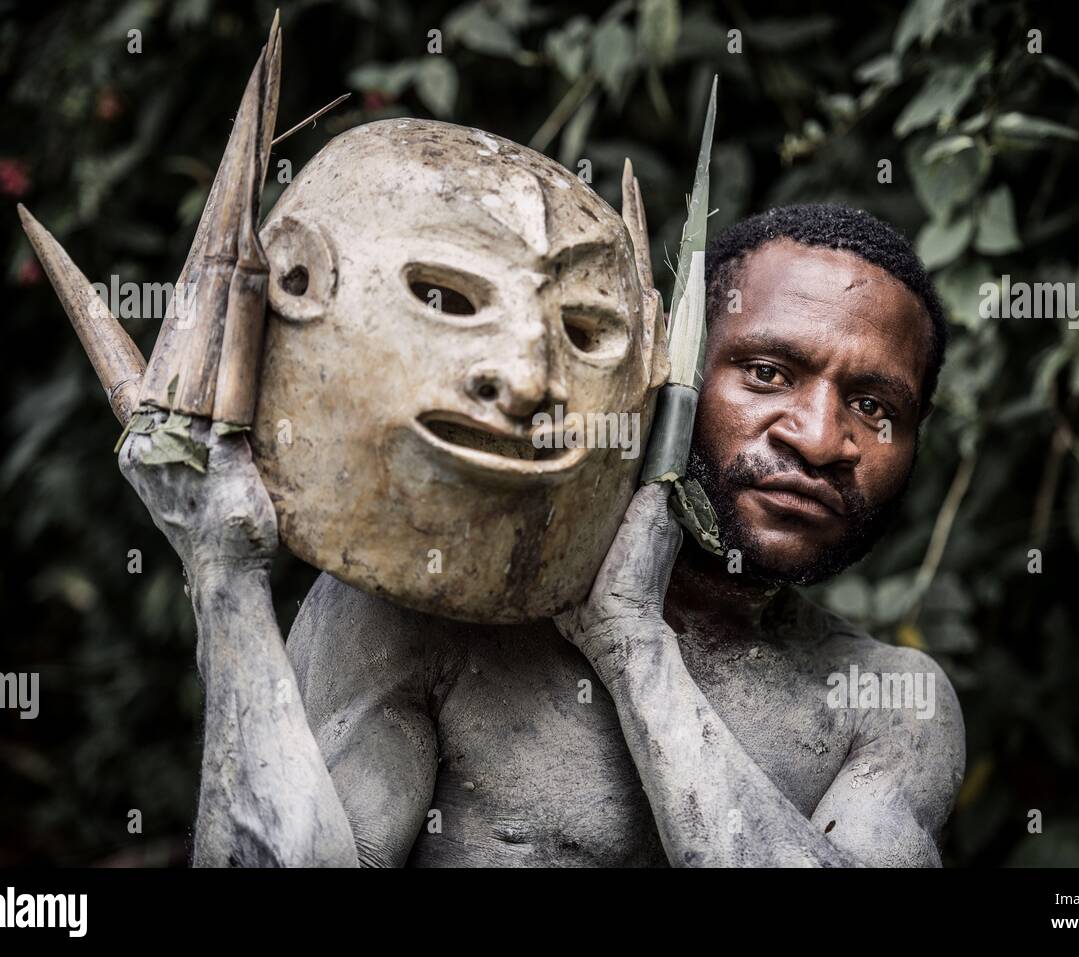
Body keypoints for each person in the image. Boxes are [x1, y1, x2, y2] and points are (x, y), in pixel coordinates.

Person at [112, 201, 965, 867]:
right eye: (768, 373)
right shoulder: (435, 610)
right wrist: (223, 575)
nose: (819, 438)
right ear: (667, 373)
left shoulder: (890, 707)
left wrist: (634, 648)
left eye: (875, 407)